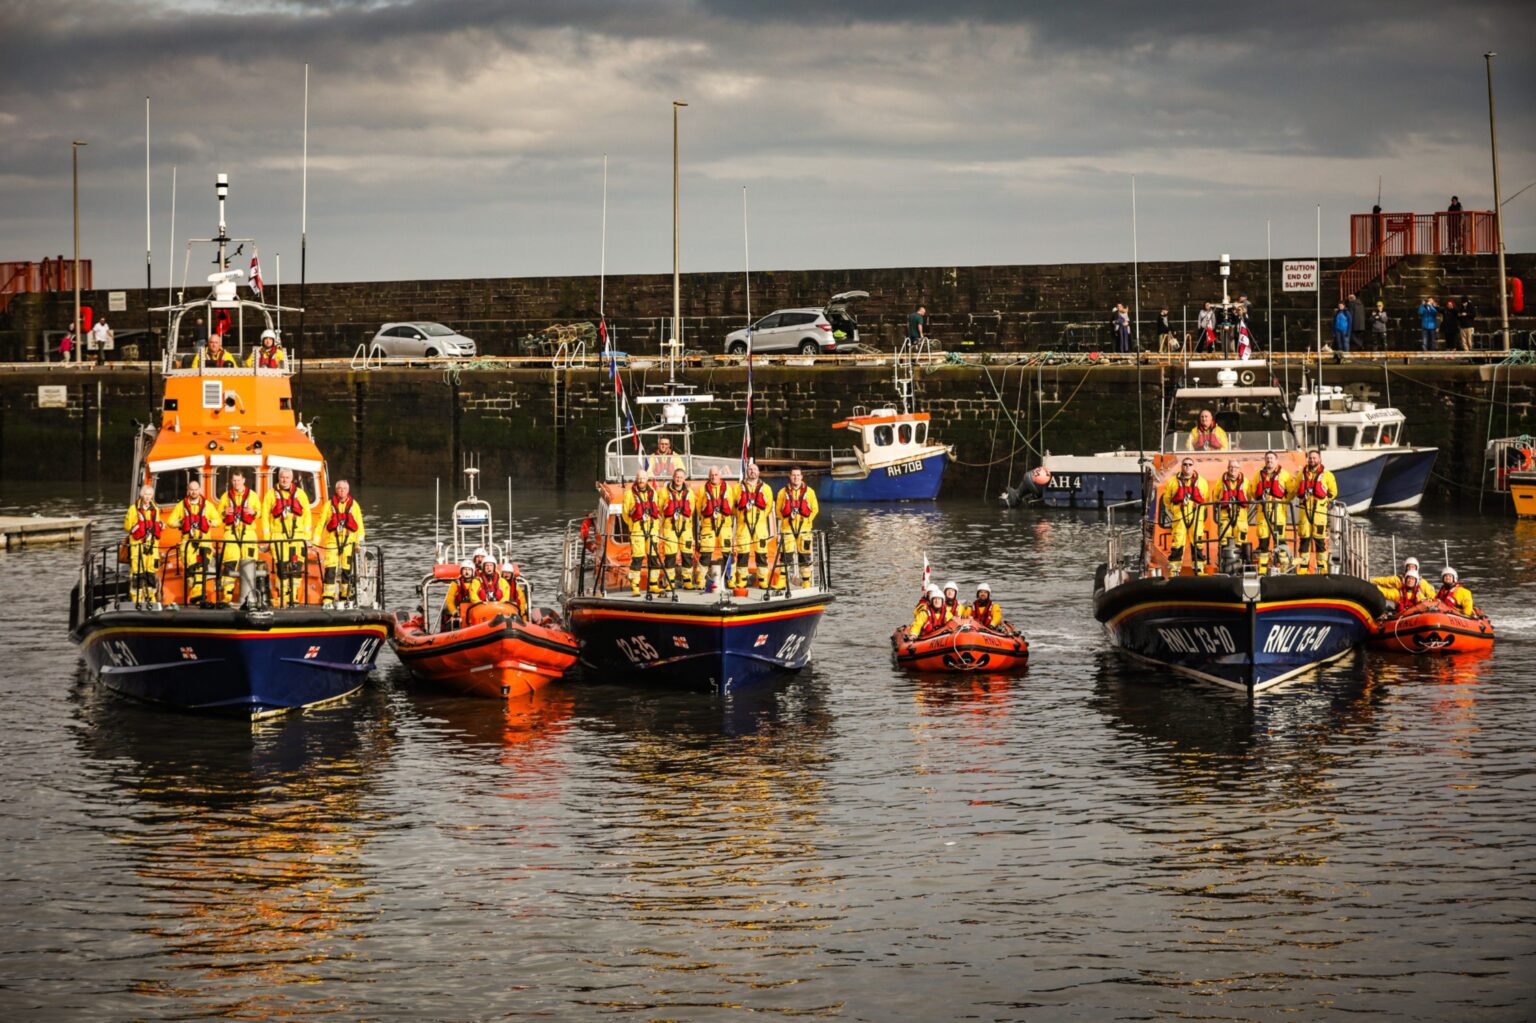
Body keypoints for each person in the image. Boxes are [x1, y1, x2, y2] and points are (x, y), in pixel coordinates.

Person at [264, 467, 312, 605]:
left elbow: (307, 515)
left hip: (297, 536)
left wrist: (307, 536)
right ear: (278, 478)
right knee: (282, 566)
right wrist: (268, 539)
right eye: (282, 477)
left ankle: (294, 595)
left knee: (296, 565)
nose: (284, 480)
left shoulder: (301, 494)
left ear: (292, 479)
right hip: (278, 536)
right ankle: (283, 595)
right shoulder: (270, 495)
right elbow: (265, 518)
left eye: (287, 477)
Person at [166, 479, 216, 605]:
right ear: (189, 490)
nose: (194, 492)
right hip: (187, 543)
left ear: (200, 490)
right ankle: (196, 594)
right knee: (190, 571)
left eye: (196, 489)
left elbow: (218, 520)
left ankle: (198, 597)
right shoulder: (181, 506)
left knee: (200, 568)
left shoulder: (208, 505)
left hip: (203, 543)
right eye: (191, 489)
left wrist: (209, 522)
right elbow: (170, 522)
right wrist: (182, 523)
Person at [317, 479, 365, 606]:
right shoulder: (328, 505)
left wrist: (358, 544)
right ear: (336, 490)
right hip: (332, 543)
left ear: (348, 490)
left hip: (349, 544)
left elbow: (359, 525)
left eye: (344, 488)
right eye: (339, 488)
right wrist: (315, 542)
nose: (342, 490)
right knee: (330, 570)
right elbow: (320, 523)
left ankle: (345, 598)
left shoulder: (354, 506)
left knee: (346, 571)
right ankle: (328, 598)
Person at [218, 470, 262, 604]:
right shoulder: (225, 497)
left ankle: (250, 596)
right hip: (230, 533)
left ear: (244, 481)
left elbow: (259, 512)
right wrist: (224, 512)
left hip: (248, 533)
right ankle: (227, 596)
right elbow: (218, 515)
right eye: (234, 480)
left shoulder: (253, 496)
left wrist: (254, 511)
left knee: (250, 563)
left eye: (238, 480)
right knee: (229, 563)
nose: (236, 483)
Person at [730, 461, 776, 589]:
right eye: (750, 470)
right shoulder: (737, 488)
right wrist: (740, 515)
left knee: (761, 555)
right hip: (743, 526)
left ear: (758, 472)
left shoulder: (766, 488)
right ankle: (742, 581)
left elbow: (768, 507)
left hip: (760, 527)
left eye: (755, 470)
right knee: (742, 555)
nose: (752, 472)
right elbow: (732, 506)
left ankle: (763, 581)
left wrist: (760, 516)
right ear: (747, 472)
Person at [1245, 450, 1292, 575]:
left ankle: (1284, 569)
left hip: (1279, 514)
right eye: (1267, 458)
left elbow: (1291, 491)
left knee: (1281, 543)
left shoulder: (1285, 475)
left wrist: (1282, 501)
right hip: (1263, 513)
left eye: (1272, 458)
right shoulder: (1258, 475)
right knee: (1263, 544)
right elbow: (1252, 491)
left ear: (1276, 461)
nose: (1269, 460)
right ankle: (1262, 570)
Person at [1162, 458, 1209, 576]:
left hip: (1196, 517)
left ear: (1193, 467)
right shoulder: (1172, 482)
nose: (1187, 466)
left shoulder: (1202, 482)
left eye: (1190, 464)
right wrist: (1174, 510)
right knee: (1177, 543)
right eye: (1185, 464)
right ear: (1181, 466)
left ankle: (1199, 569)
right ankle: (1175, 570)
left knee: (1197, 543)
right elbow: (1166, 500)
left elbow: (1206, 499)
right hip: (1179, 518)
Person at [1295, 449, 1338, 574]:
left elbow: (1333, 492)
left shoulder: (1327, 475)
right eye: (1310, 458)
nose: (1312, 460)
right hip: (1304, 513)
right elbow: (1295, 489)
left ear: (1319, 459)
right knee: (1304, 541)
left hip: (1319, 514)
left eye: (1314, 458)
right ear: (1307, 459)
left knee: (1320, 541)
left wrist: (1323, 501)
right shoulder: (1301, 475)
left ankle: (1322, 569)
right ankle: (1303, 570)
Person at [775, 467, 819, 588]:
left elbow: (815, 509)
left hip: (804, 530)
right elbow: (778, 509)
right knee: (785, 556)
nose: (796, 477)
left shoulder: (810, 492)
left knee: (805, 556)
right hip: (788, 529)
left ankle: (806, 582)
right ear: (790, 476)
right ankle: (782, 581)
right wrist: (784, 520)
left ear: (802, 477)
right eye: (793, 475)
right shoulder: (782, 492)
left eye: (798, 475)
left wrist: (808, 520)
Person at [622, 468, 663, 595]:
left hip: (652, 530)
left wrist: (655, 527)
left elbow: (656, 511)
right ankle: (635, 587)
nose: (641, 480)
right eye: (639, 478)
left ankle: (653, 585)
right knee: (637, 559)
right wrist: (633, 525)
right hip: (637, 530)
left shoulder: (653, 493)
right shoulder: (629, 494)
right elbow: (625, 513)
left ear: (647, 479)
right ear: (636, 479)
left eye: (643, 478)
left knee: (654, 558)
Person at [124, 484, 163, 606]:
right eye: (146, 494)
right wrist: (140, 529)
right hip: (138, 546)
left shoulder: (155, 509)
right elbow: (127, 526)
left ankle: (151, 598)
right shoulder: (133, 509)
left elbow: (156, 524)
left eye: (150, 495)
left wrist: (159, 527)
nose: (148, 497)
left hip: (152, 546)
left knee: (151, 572)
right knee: (137, 573)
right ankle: (137, 599)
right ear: (142, 495)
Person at [695, 465, 733, 590]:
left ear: (720, 475)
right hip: (708, 526)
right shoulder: (702, 490)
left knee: (728, 554)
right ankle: (701, 580)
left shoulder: (728, 488)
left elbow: (731, 506)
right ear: (709, 476)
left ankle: (730, 579)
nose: (713, 477)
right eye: (711, 475)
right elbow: (699, 508)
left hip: (725, 526)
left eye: (716, 474)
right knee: (705, 554)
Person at [660, 466, 696, 590]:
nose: (678, 479)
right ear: (673, 477)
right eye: (676, 477)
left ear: (684, 478)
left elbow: (692, 508)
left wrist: (686, 516)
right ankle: (670, 582)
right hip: (670, 527)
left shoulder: (690, 493)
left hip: (686, 528)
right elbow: (660, 509)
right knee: (670, 556)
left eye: (681, 477)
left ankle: (687, 581)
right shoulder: (664, 492)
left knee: (687, 555)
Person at [1212, 459, 1249, 560]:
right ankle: (1223, 564)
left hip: (1241, 518)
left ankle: (1242, 565)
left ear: (1239, 469)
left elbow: (1250, 497)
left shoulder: (1246, 482)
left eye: (1236, 467)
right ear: (1227, 468)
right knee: (1224, 541)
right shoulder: (1220, 482)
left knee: (1241, 542)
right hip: (1224, 518)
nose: (1233, 469)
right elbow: (1215, 497)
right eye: (1231, 467)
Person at [441, 560, 476, 629]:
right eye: (465, 569)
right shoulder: (455, 584)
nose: (467, 572)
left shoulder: (477, 583)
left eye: (469, 570)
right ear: (461, 571)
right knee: (449, 627)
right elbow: (449, 600)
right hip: (459, 613)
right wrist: (454, 612)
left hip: (474, 612)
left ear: (473, 572)